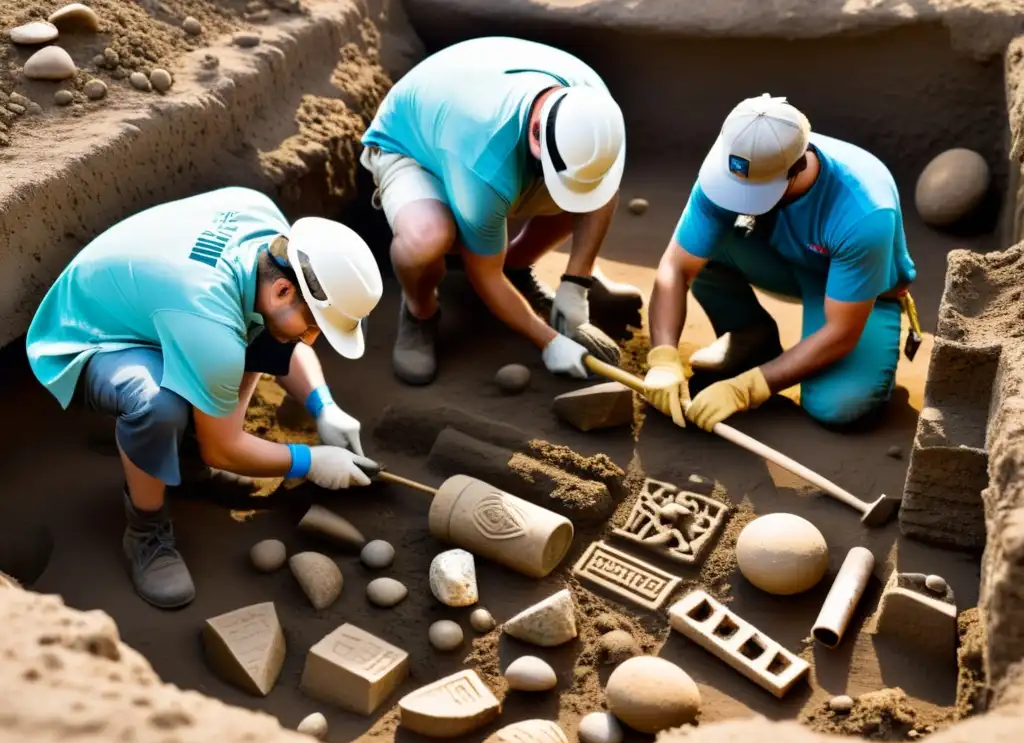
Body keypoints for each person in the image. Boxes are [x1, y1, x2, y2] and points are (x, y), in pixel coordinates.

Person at [25, 187, 384, 610]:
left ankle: (186, 467)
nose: (312, 339)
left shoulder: (269, 232)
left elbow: (275, 340)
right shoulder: (210, 323)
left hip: (156, 308)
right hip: (88, 332)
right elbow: (224, 447)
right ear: (285, 291)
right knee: (159, 406)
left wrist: (324, 407)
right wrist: (310, 460)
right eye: (315, 324)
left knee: (267, 335)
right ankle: (146, 532)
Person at [359, 35, 643, 386]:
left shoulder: (596, 114)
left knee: (584, 190)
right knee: (427, 238)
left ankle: (518, 266)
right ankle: (420, 313)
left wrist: (576, 282)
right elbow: (484, 274)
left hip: (472, 100)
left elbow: (600, 190)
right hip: (410, 143)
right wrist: (549, 342)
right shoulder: (485, 163)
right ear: (537, 136)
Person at [644, 93, 918, 431]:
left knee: (840, 404)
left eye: (755, 191)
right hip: (778, 254)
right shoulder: (734, 160)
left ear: (797, 166)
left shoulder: (863, 211)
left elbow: (841, 332)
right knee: (704, 244)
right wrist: (663, 357)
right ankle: (749, 335)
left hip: (856, 293)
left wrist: (749, 388)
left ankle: (770, 366)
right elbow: (676, 266)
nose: (738, 197)